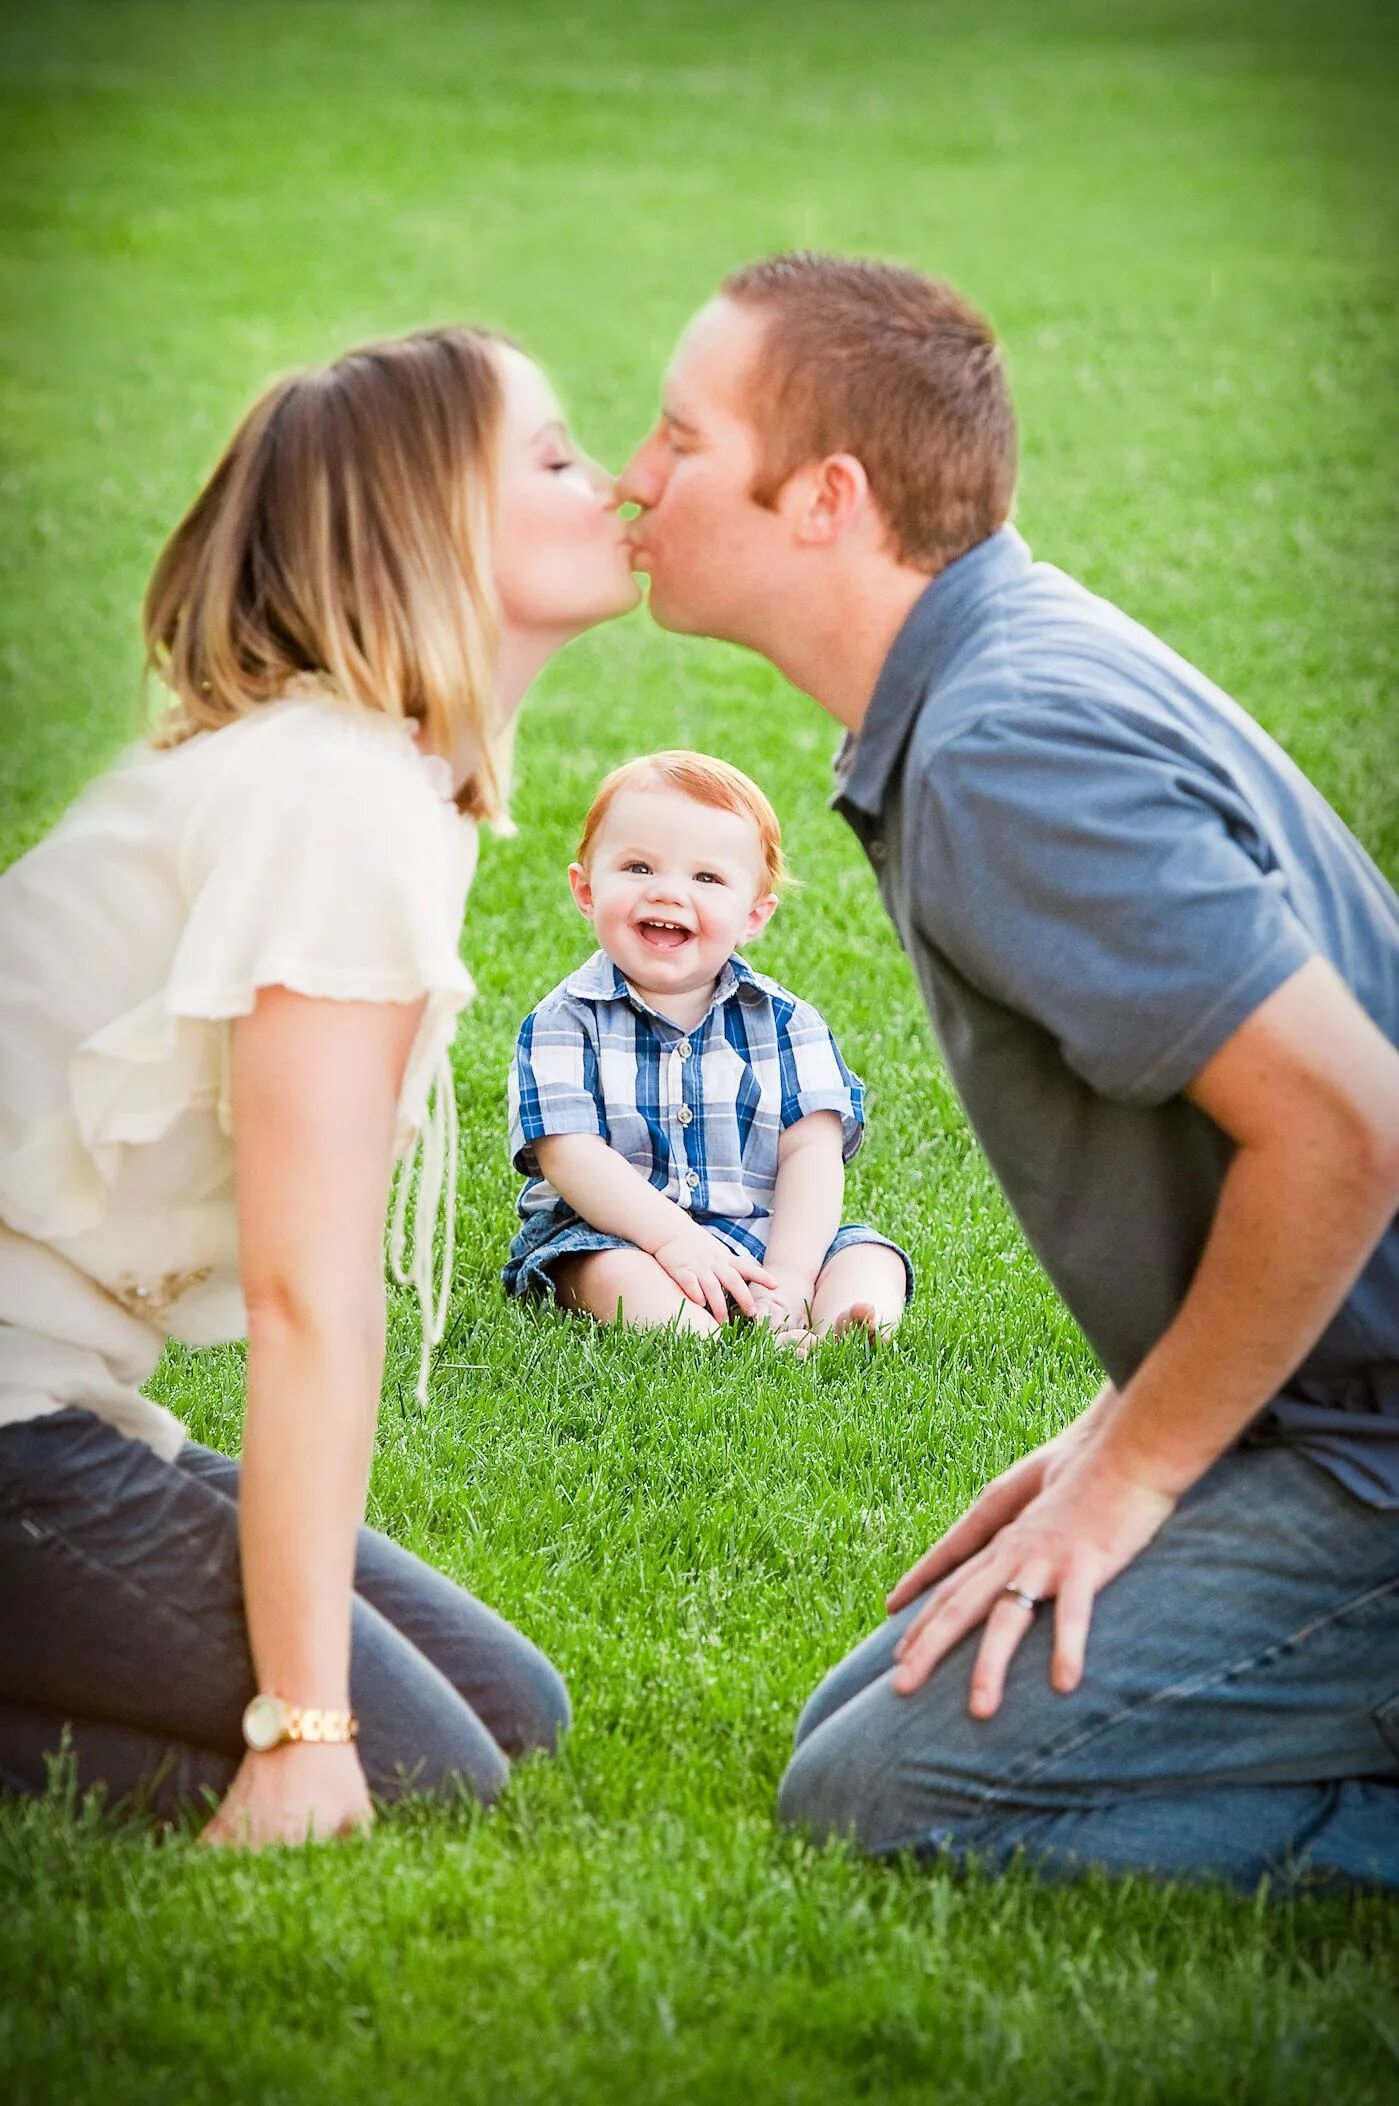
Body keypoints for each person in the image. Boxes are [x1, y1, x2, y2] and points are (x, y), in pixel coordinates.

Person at [617, 251, 1399, 1891]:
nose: (634, 478)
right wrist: (1105, 1423)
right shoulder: (986, 675)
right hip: (1316, 1406)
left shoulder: (999, 746)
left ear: (821, 498)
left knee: (892, 1801)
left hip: (1361, 1450)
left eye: (677, 440)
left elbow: (1346, 1130)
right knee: (875, 1697)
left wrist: (1132, 1478)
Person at [0, 324, 640, 1848]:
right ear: (423, 531)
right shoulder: (331, 798)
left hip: (58, 1394)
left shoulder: (364, 779)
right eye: (551, 458)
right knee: (412, 1764)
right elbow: (308, 1304)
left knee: (510, 1707)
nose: (607, 482)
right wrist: (300, 1724)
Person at [502, 750, 912, 1345]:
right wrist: (673, 1239)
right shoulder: (564, 1020)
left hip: (758, 1234)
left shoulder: (787, 1024)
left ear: (754, 914)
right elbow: (570, 1154)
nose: (668, 894)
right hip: (614, 1234)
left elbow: (811, 1155)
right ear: (586, 890)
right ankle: (693, 1331)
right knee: (609, 1273)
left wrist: (792, 1275)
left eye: (707, 878)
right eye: (639, 867)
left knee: (871, 1253)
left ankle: (843, 1320)